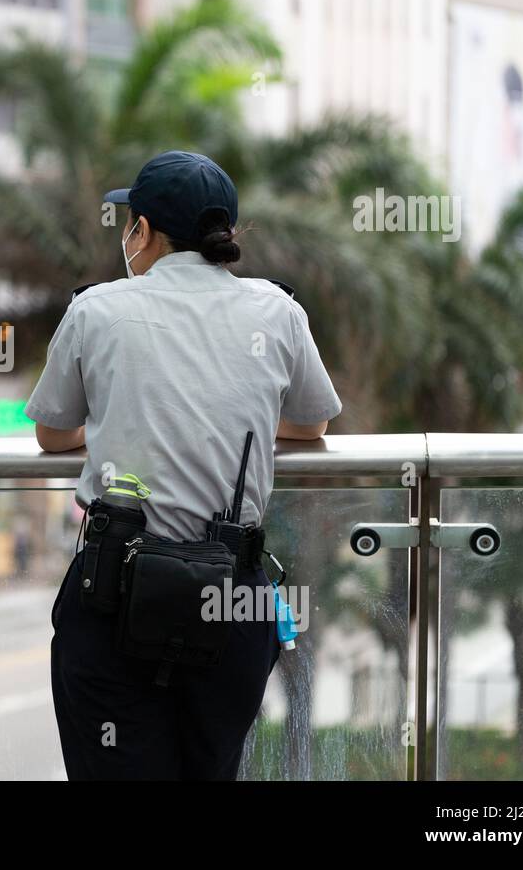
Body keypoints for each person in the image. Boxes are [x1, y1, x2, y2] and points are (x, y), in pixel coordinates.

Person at [25, 151, 342, 780]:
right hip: (231, 600)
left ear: (142, 231)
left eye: (127, 224)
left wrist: (124, 420)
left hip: (116, 591)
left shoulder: (98, 309)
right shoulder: (276, 310)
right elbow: (311, 423)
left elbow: (54, 432)